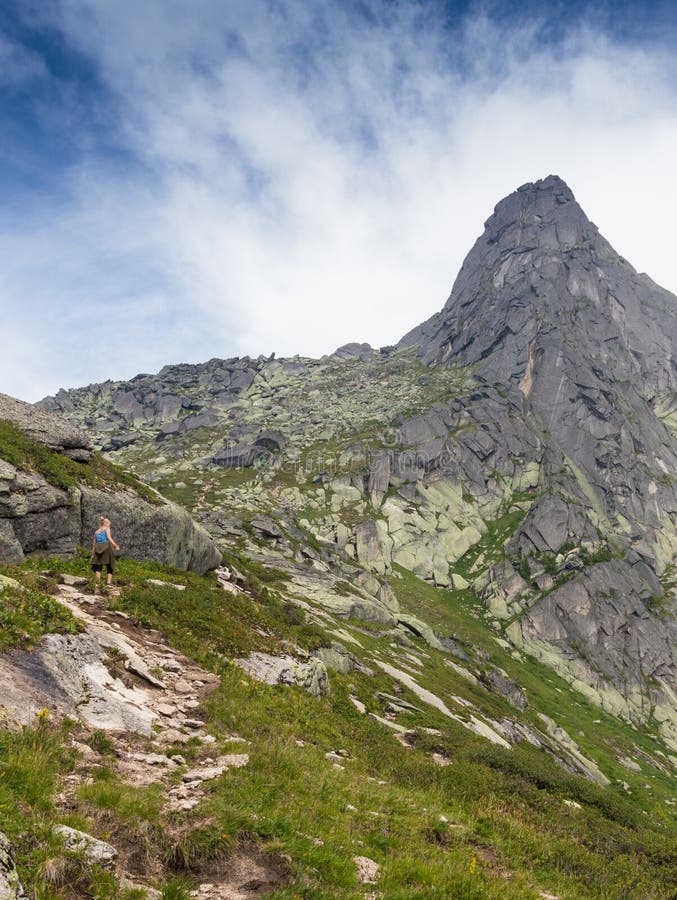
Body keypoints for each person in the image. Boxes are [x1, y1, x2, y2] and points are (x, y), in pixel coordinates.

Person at [91, 516, 120, 588]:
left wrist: (92, 554)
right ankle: (108, 583)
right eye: (109, 524)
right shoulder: (107, 528)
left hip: (98, 548)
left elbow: (94, 545)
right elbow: (109, 537)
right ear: (106, 523)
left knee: (98, 566)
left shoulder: (96, 532)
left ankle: (97, 583)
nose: (109, 525)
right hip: (106, 547)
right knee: (110, 564)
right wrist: (115, 545)